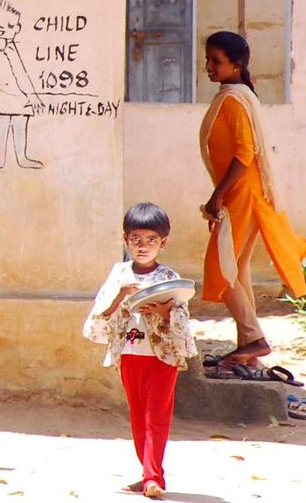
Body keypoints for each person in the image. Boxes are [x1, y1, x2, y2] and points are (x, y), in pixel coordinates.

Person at [199, 31, 306, 368]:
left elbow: (245, 153)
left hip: (241, 194)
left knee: (222, 266)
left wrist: (216, 197)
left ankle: (254, 339)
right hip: (241, 193)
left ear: (237, 65)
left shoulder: (234, 100)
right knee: (239, 268)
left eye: (216, 61)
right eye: (208, 59)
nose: (209, 66)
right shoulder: (232, 96)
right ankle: (249, 351)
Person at [83, 203, 197, 500]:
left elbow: (182, 322)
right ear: (126, 240)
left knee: (156, 416)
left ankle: (152, 478)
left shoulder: (170, 278)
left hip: (162, 357)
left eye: (151, 240)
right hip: (131, 355)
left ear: (163, 242)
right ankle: (147, 473)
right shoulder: (119, 274)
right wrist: (122, 293)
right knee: (137, 416)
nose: (143, 246)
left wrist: (163, 313)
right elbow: (101, 314)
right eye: (136, 240)